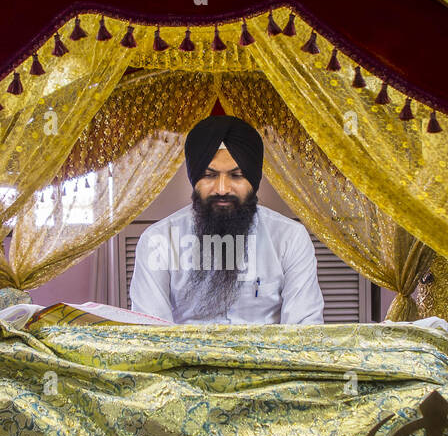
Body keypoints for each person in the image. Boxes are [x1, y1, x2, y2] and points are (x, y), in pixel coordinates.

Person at [130, 114, 324, 325]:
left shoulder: (290, 238)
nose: (222, 189)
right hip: (183, 359)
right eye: (209, 175)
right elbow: (150, 334)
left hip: (268, 358)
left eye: (237, 175)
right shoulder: (158, 240)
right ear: (194, 179)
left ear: (253, 180)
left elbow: (305, 331)